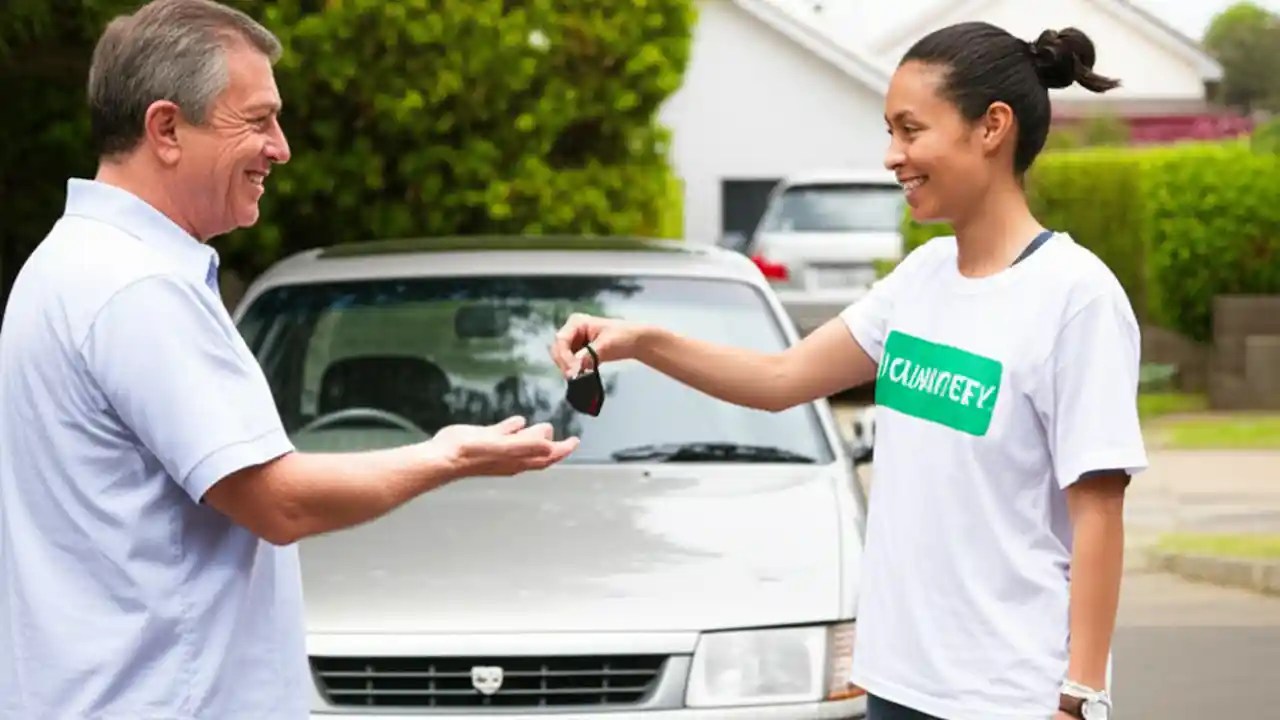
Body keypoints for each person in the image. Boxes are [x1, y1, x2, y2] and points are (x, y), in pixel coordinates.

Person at [552, 21, 1145, 720]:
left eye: (910, 130)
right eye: (889, 132)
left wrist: (1080, 695)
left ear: (992, 127)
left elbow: (1099, 507)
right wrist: (642, 340)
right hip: (896, 683)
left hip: (1010, 694)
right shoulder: (921, 279)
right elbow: (780, 380)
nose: (893, 156)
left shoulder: (1075, 297)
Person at [0, 1, 578, 718]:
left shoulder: (67, 264)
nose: (282, 147)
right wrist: (448, 458)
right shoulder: (136, 286)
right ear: (167, 128)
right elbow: (277, 501)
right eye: (258, 119)